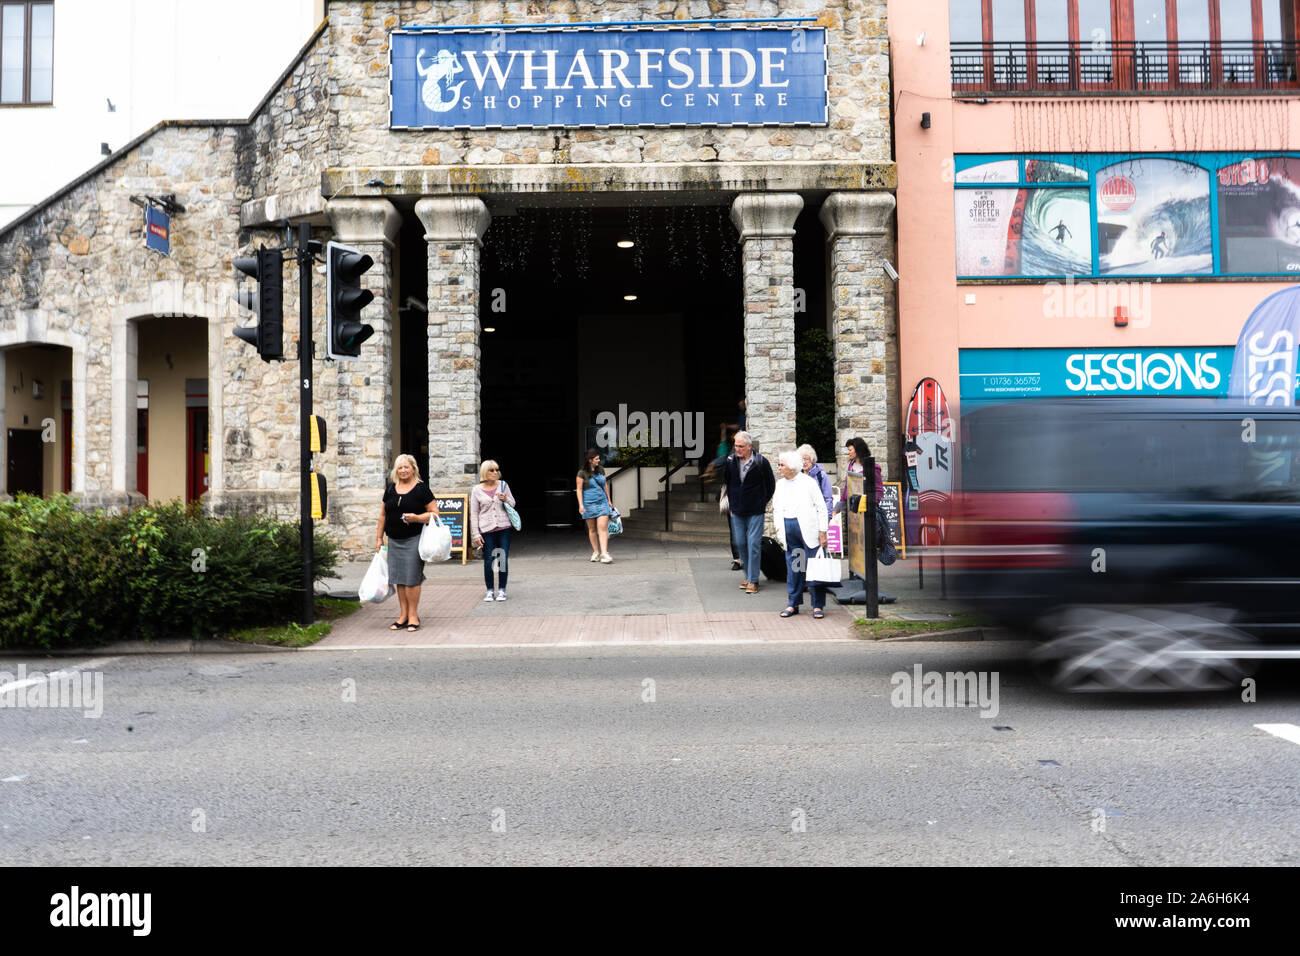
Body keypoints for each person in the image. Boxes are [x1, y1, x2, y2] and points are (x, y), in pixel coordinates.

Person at [375, 454, 437, 631]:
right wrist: (379, 538)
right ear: (396, 470)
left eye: (406, 467)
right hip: (394, 540)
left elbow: (435, 513)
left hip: (414, 540)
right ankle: (402, 615)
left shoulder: (421, 489)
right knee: (399, 579)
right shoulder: (390, 489)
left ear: (413, 469)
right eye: (400, 467)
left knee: (411, 579)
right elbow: (383, 515)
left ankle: (413, 616)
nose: (403, 470)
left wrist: (417, 518)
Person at [773, 451, 830, 619]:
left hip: (809, 531)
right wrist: (778, 529)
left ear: (791, 466)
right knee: (794, 568)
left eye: (782, 465)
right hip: (790, 531)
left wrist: (823, 532)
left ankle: (817, 605)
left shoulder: (808, 482)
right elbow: (776, 508)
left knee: (815, 567)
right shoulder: (780, 484)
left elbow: (821, 507)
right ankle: (793, 603)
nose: (779, 467)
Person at [724, 430, 776, 594]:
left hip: (755, 511)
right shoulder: (731, 461)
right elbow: (728, 483)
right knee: (740, 544)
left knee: (753, 544)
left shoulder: (761, 462)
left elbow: (770, 485)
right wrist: (731, 506)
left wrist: (762, 503)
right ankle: (748, 577)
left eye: (740, 446)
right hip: (737, 511)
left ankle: (753, 580)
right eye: (735, 446)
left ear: (749, 446)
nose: (737, 449)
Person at [470, 459, 516, 602]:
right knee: (489, 560)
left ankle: (502, 589)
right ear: (485, 472)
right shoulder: (477, 490)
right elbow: (474, 513)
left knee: (502, 558)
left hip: (503, 527)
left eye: (496, 469)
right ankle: (490, 590)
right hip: (486, 529)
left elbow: (513, 504)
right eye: (492, 470)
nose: (495, 472)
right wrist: (476, 534)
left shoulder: (503, 485)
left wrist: (505, 498)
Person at [576, 448, 614, 564]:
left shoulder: (601, 469)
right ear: (590, 460)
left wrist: (609, 501)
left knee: (602, 528)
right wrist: (581, 505)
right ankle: (596, 552)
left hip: (602, 502)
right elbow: (579, 490)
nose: (599, 460)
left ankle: (604, 553)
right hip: (588, 504)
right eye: (597, 459)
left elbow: (605, 486)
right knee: (592, 529)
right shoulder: (581, 473)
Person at [798, 443, 834, 518]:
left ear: (812, 460)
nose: (804, 462)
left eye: (806, 459)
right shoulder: (798, 475)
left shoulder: (821, 475)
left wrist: (827, 517)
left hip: (818, 516)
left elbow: (828, 498)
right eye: (801, 459)